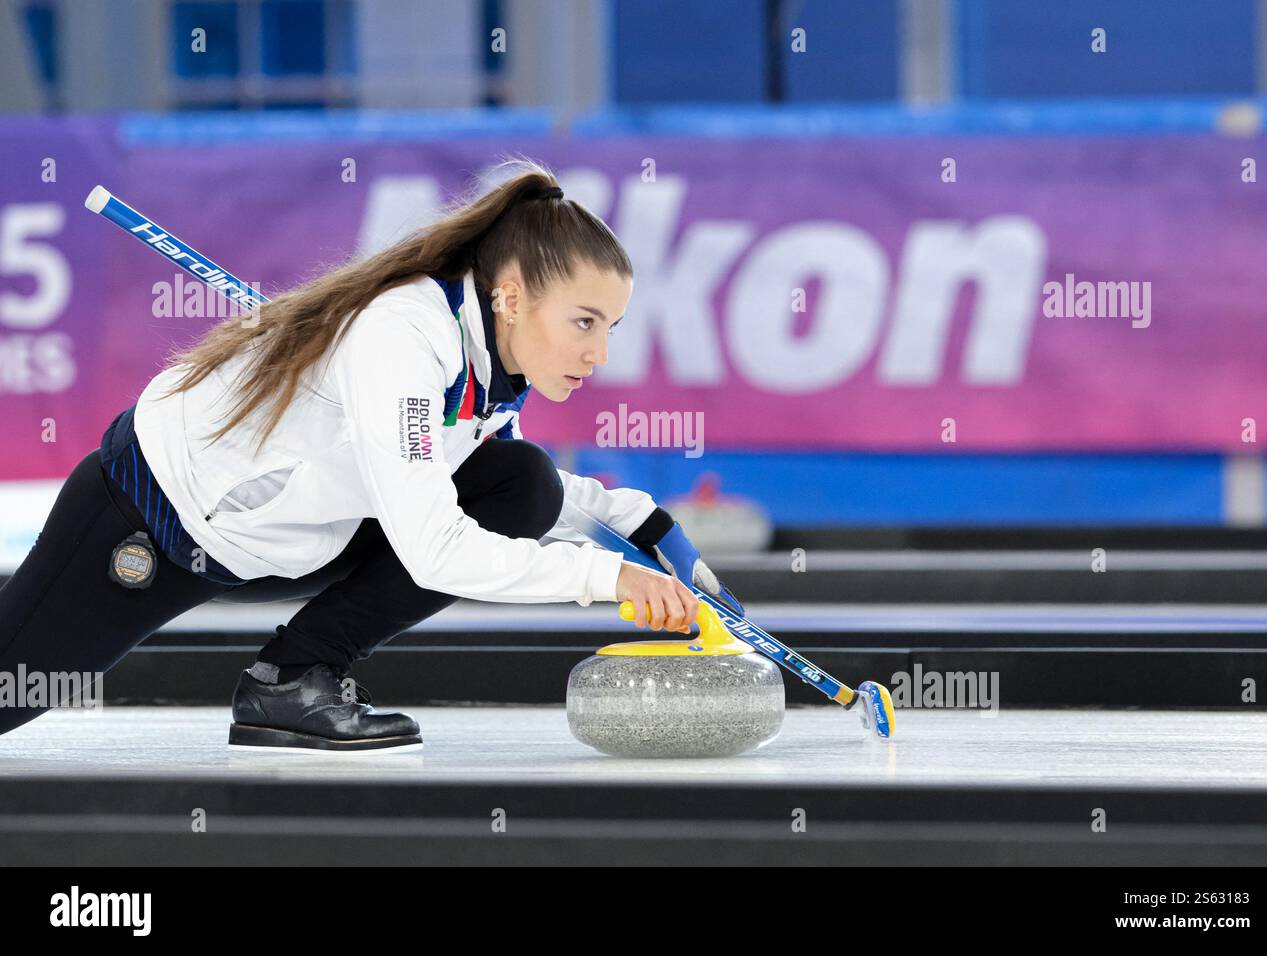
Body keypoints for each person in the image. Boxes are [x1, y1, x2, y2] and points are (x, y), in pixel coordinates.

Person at [0, 159, 744, 752]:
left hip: (274, 542)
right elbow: (433, 550)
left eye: (611, 326)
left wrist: (642, 525)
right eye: (584, 322)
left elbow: (483, 467)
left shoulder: (483, 362)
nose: (599, 352)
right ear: (512, 296)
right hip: (149, 524)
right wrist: (608, 577)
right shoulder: (405, 337)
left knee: (523, 486)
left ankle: (292, 680)